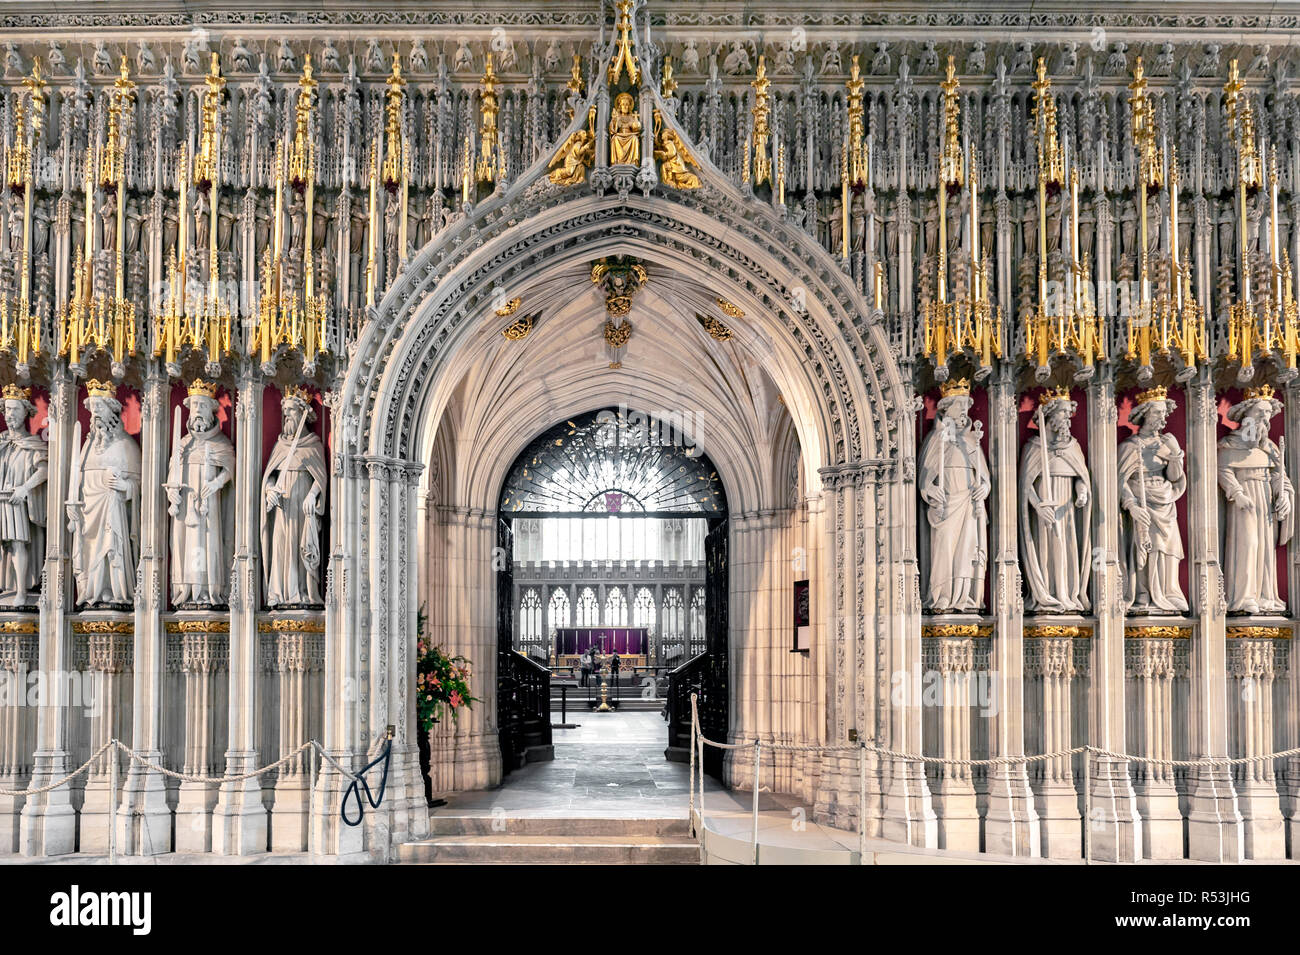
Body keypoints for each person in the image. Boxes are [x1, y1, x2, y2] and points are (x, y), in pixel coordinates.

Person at [917, 378, 990, 611]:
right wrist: (930, 490)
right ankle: (942, 597)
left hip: (968, 504)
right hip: (946, 506)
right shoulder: (935, 440)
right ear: (946, 408)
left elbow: (984, 478)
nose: (964, 410)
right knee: (944, 549)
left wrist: (984, 488)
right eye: (959, 405)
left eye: (966, 406)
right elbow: (924, 478)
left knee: (967, 551)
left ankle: (965, 598)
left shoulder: (972, 441)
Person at [1218, 387, 1292, 614]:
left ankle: (1265, 596)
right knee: (1248, 544)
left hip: (1265, 499)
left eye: (1268, 415)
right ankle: (1243, 597)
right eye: (1260, 414)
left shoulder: (1269, 448)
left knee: (1264, 547)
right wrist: (1237, 492)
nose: (1265, 420)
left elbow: (1280, 476)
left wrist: (1285, 496)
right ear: (1246, 416)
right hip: (1244, 499)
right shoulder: (1229, 445)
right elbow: (1223, 470)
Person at [68, 379, 141, 607]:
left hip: (113, 513)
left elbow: (141, 486)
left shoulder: (126, 445)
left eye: (100, 408)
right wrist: (75, 504)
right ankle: (91, 591)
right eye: (93, 410)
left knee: (113, 549)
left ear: (112, 411)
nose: (95, 415)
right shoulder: (88, 446)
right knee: (89, 551)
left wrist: (126, 487)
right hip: (90, 515)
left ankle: (113, 589)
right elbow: (77, 481)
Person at [1018, 387, 1092, 612]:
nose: (1067, 420)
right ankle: (1047, 593)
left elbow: (1081, 477)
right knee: (1047, 550)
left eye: (1068, 415)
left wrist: (1081, 491)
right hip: (1045, 508)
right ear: (1049, 416)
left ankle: (1068, 593)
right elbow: (1025, 485)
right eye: (1062, 414)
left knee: (1068, 547)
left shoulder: (1073, 446)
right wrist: (1037, 505)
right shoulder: (1035, 447)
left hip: (1066, 508)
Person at [1119, 386, 1188, 613]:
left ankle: (1169, 592)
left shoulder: (1166, 443)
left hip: (1164, 500)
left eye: (1163, 413)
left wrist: (1176, 454)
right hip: (1141, 502)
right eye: (1157, 412)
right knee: (1145, 546)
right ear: (1145, 414)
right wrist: (1131, 505)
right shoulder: (1130, 446)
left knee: (1167, 546)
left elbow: (1175, 478)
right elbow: (1119, 482)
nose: (1163, 417)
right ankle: (1143, 594)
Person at [261, 385, 327, 607]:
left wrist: (312, 494)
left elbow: (321, 477)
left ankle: (303, 592)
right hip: (283, 505)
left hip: (302, 505)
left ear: (303, 414)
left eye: (291, 411)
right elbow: (270, 475)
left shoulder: (313, 445)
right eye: (285, 411)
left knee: (301, 547)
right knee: (281, 547)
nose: (287, 415)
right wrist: (269, 490)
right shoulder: (281, 445)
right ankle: (280, 594)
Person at [0, 384, 47, 606]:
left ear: (25, 412)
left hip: (16, 501)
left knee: (18, 543)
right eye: (7, 410)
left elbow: (45, 470)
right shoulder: (2, 443)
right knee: (3, 547)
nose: (10, 415)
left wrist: (25, 488)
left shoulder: (32, 443)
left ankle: (20, 590)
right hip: (1, 499)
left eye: (15, 410)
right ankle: (6, 587)